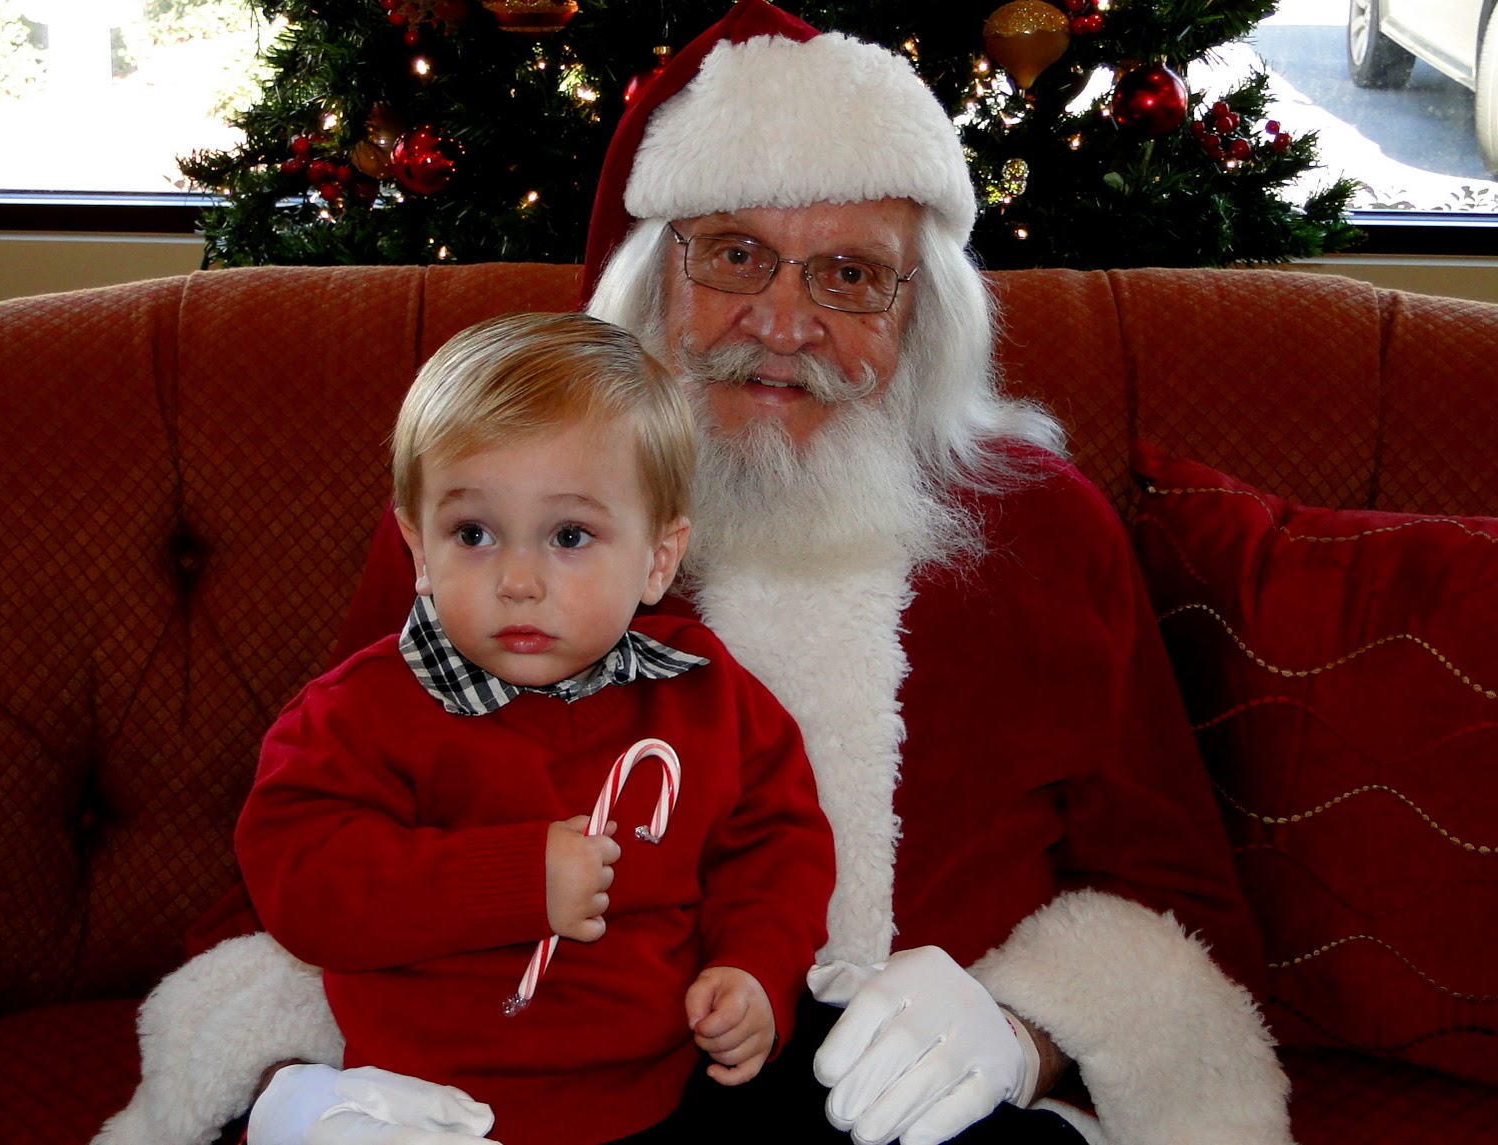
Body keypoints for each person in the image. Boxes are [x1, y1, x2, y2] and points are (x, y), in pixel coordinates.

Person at [96, 3, 1295, 1144]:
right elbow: (301, 853)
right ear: (649, 279)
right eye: (735, 256)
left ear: (920, 310)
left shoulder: (1044, 527)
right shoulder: (509, 520)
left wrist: (1025, 1033)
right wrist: (298, 1087)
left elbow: (1175, 893)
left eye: (850, 275)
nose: (784, 324)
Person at [232, 311, 835, 1145]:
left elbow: (778, 845)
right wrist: (513, 880)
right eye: (473, 533)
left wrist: (755, 967)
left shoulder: (706, 694)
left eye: (570, 535)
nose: (519, 579)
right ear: (417, 546)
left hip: (665, 1089)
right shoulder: (361, 711)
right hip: (430, 1108)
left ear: (659, 557)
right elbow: (300, 881)